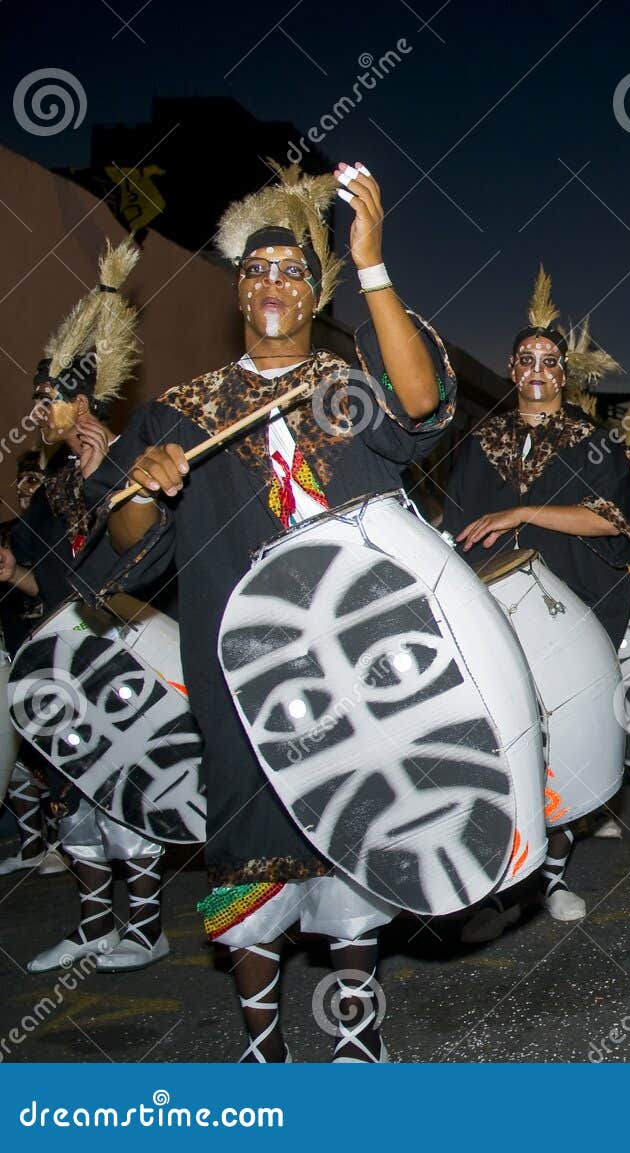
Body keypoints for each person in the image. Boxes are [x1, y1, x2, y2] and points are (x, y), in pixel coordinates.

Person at [93, 162, 454, 1061]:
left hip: (357, 664)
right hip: (243, 676)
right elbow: (125, 541)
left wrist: (371, 262)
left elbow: (421, 405)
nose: (271, 284)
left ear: (312, 289)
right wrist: (142, 484)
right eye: (256, 270)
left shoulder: (339, 387)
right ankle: (262, 1049)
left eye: (292, 269)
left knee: (361, 830)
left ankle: (355, 1038)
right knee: (245, 853)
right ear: (239, 290)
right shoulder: (184, 412)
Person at [444, 266, 630, 930]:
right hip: (495, 619)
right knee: (501, 745)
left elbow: (615, 524)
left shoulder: (593, 444)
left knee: (564, 747)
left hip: (571, 615)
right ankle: (500, 863)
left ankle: (552, 877)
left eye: (550, 361)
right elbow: (457, 525)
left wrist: (526, 512)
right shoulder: (483, 441)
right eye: (527, 358)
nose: (538, 369)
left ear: (565, 374)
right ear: (512, 368)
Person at [11, 239, 169, 971]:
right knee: (74, 798)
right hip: (63, 656)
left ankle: (146, 926)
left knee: (123, 785)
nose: (36, 411)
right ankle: (94, 922)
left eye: (47, 400)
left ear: (80, 403)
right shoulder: (43, 487)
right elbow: (51, 584)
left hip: (118, 649)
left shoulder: (118, 456)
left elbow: (143, 552)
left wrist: (107, 473)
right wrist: (14, 573)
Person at [0, 450, 66, 880]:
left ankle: (62, 842)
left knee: (59, 755)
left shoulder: (58, 525)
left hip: (55, 659)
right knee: (21, 766)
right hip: (15, 659)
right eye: (21, 479)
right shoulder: (11, 533)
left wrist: (13, 573)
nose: (27, 488)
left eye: (35, 480)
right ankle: (32, 844)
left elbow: (47, 584)